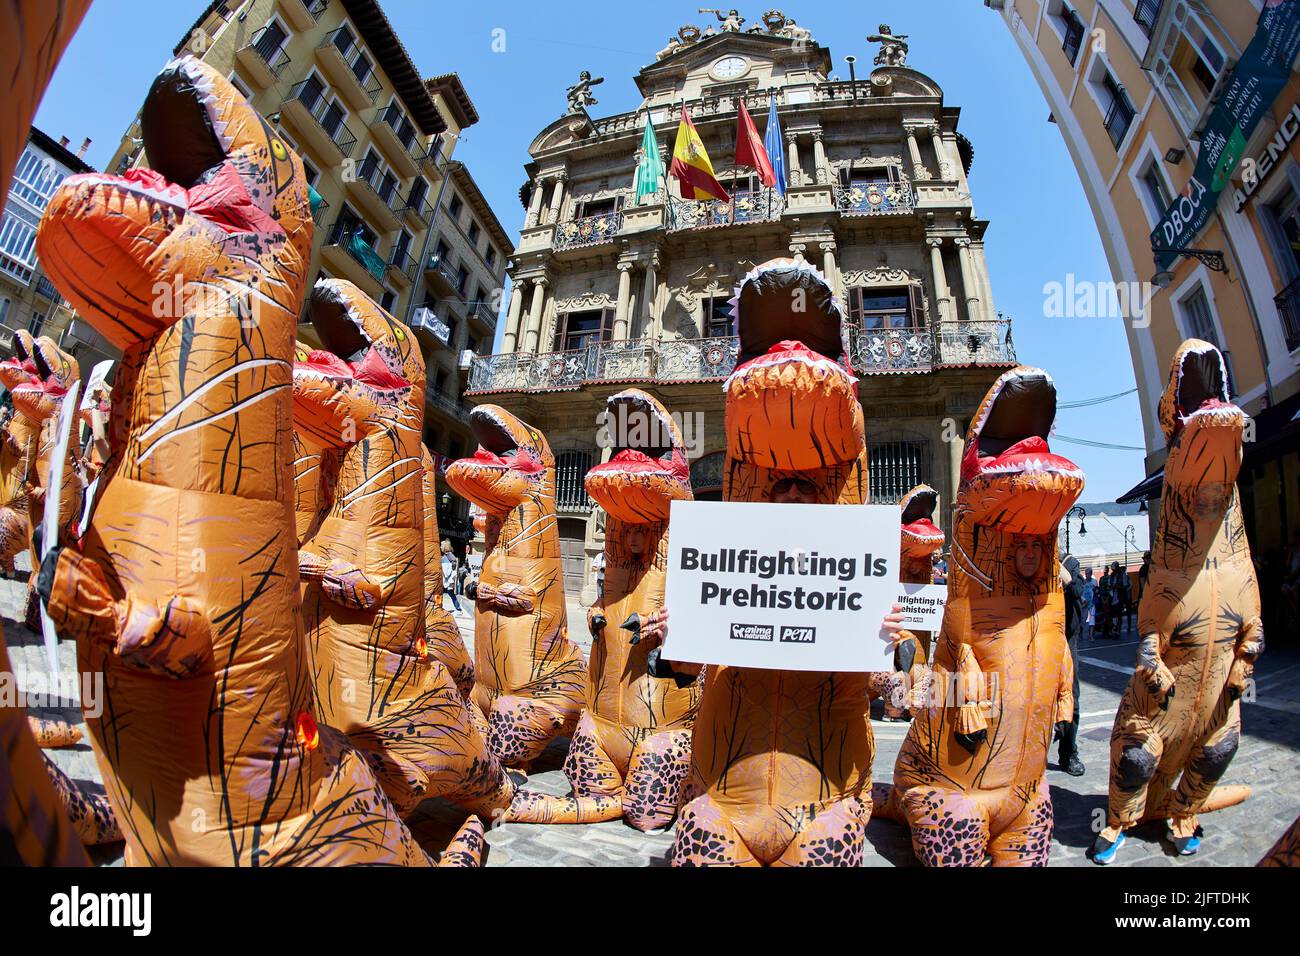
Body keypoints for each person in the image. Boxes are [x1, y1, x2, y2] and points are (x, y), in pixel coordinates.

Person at [1057, 554, 1086, 775]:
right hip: (1040, 638)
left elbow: (1077, 592)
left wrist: (1064, 575)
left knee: (1071, 699)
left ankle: (1069, 753)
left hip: (1067, 641)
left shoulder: (1069, 563)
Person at [441, 542, 462, 614]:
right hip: (448, 577)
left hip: (448, 577)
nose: (440, 547)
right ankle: (457, 607)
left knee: (450, 593)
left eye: (441, 546)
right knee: (449, 593)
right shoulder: (449, 555)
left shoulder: (449, 556)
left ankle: (458, 608)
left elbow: (450, 566)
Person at [1081, 567, 1096, 636]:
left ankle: (1091, 635)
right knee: (1083, 618)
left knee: (1092, 618)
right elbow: (1080, 593)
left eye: (1088, 573)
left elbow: (1096, 592)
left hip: (1092, 603)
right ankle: (1080, 633)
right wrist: (1083, 600)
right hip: (1084, 603)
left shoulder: (1094, 581)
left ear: (1091, 574)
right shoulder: (1082, 582)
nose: (1087, 575)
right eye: (1086, 573)